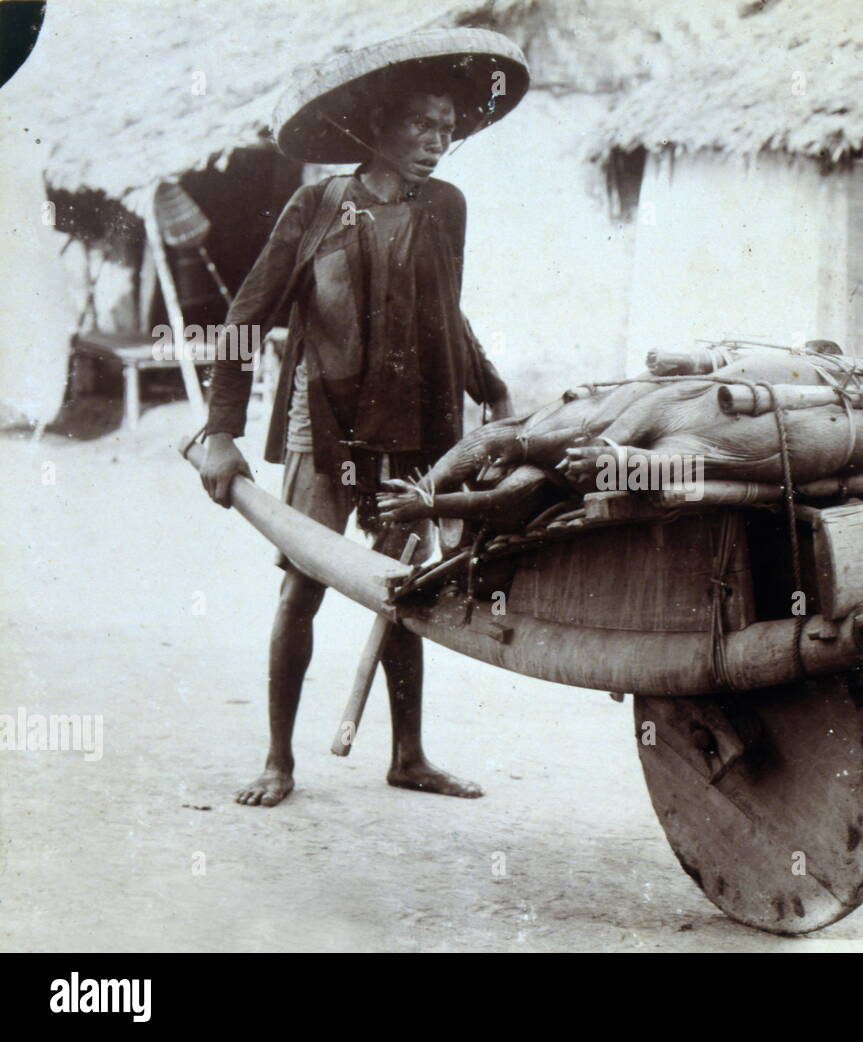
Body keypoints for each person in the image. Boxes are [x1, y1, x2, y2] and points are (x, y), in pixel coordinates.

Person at [199, 33, 524, 807]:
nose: (436, 142)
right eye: (420, 125)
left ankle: (408, 755)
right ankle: (279, 760)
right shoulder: (318, 205)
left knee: (404, 589)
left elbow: (447, 311)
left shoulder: (448, 207)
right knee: (302, 588)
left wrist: (497, 392)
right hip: (328, 424)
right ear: (378, 126)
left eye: (447, 128)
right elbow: (247, 317)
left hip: (417, 429)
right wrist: (220, 431)